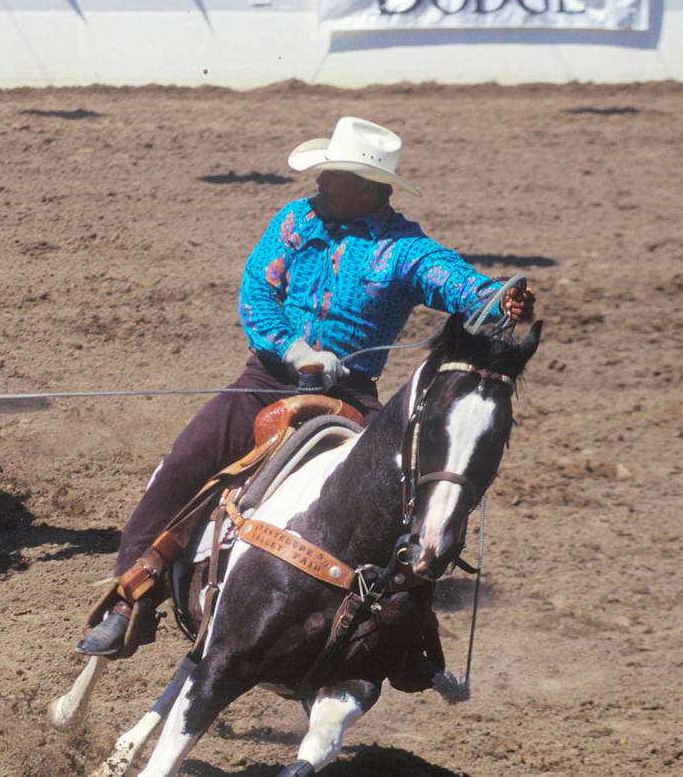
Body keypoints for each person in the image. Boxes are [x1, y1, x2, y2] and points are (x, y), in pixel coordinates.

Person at [75, 116, 536, 656]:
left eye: (330, 175)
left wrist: (497, 298)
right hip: (266, 378)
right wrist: (296, 350)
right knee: (184, 464)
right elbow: (257, 293)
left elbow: (456, 284)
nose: (317, 182)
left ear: (366, 188)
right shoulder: (295, 221)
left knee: (397, 501)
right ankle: (132, 598)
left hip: (350, 393)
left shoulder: (406, 250)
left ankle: (405, 637)